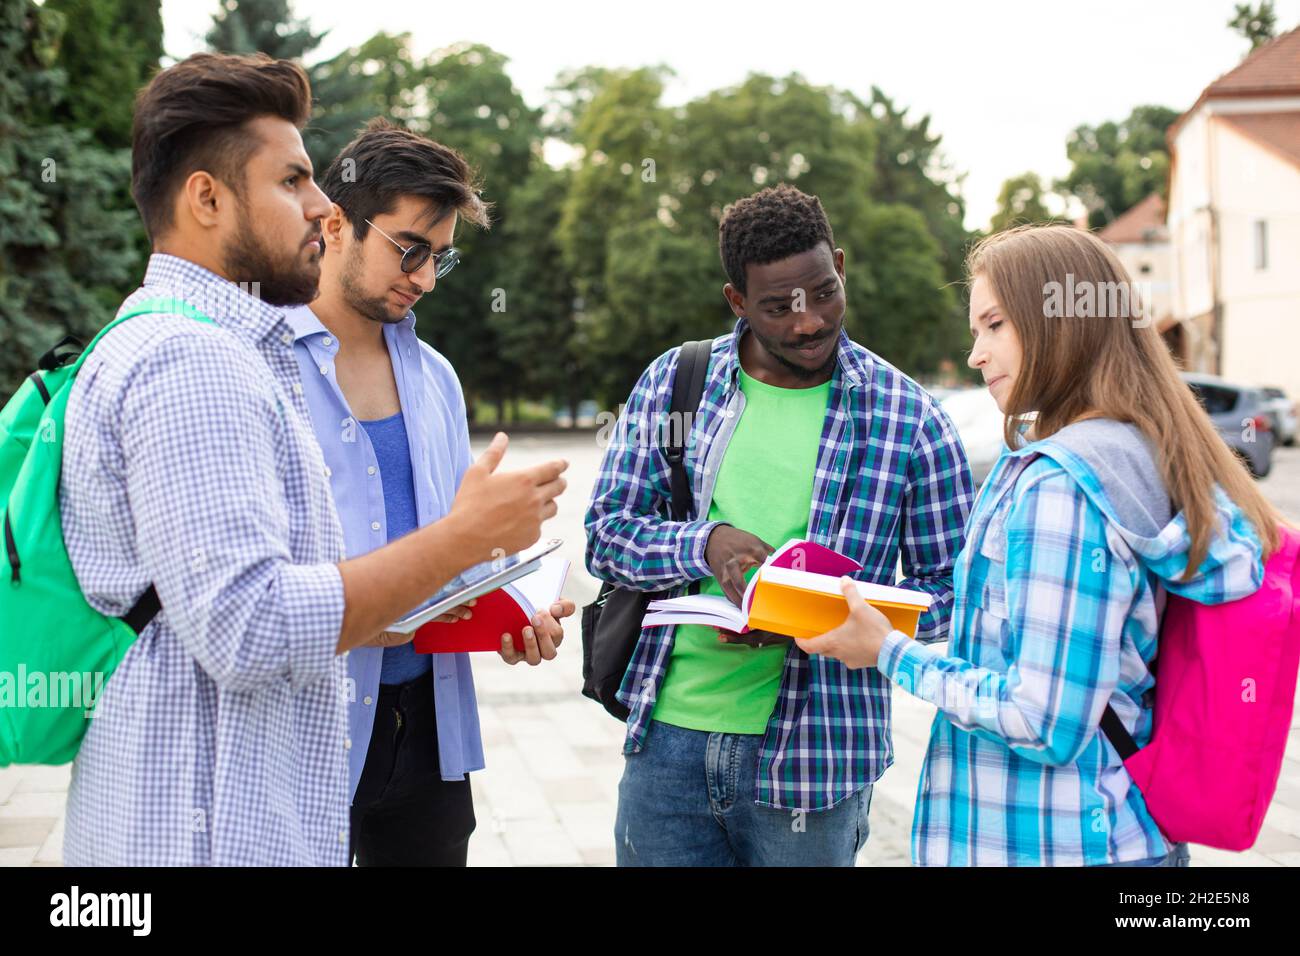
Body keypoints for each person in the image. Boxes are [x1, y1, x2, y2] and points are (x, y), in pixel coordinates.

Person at [59, 53, 566, 865]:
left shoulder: (183, 340)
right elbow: (251, 628)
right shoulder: (200, 361)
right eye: (293, 180)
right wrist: (466, 538)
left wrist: (488, 587)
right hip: (208, 823)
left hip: (291, 774)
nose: (320, 204)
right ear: (207, 197)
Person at [798, 224, 1281, 866]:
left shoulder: (1064, 485)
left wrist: (888, 652)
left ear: (1060, 326)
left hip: (1055, 846)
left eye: (994, 325)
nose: (976, 354)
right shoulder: (1138, 453)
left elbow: (1042, 719)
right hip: (1118, 837)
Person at [585, 184, 974, 866]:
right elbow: (606, 534)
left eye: (824, 293)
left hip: (817, 762)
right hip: (669, 745)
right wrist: (704, 545)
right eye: (777, 307)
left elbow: (957, 591)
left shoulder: (910, 418)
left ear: (841, 267)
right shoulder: (676, 383)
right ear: (737, 301)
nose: (807, 323)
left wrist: (842, 618)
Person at [286, 118, 575, 866]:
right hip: (300, 726)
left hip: (427, 728)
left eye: (438, 260)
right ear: (338, 222)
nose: (421, 278)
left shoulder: (436, 378)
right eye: (409, 249)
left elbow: (452, 556)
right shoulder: (265, 368)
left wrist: (511, 609)